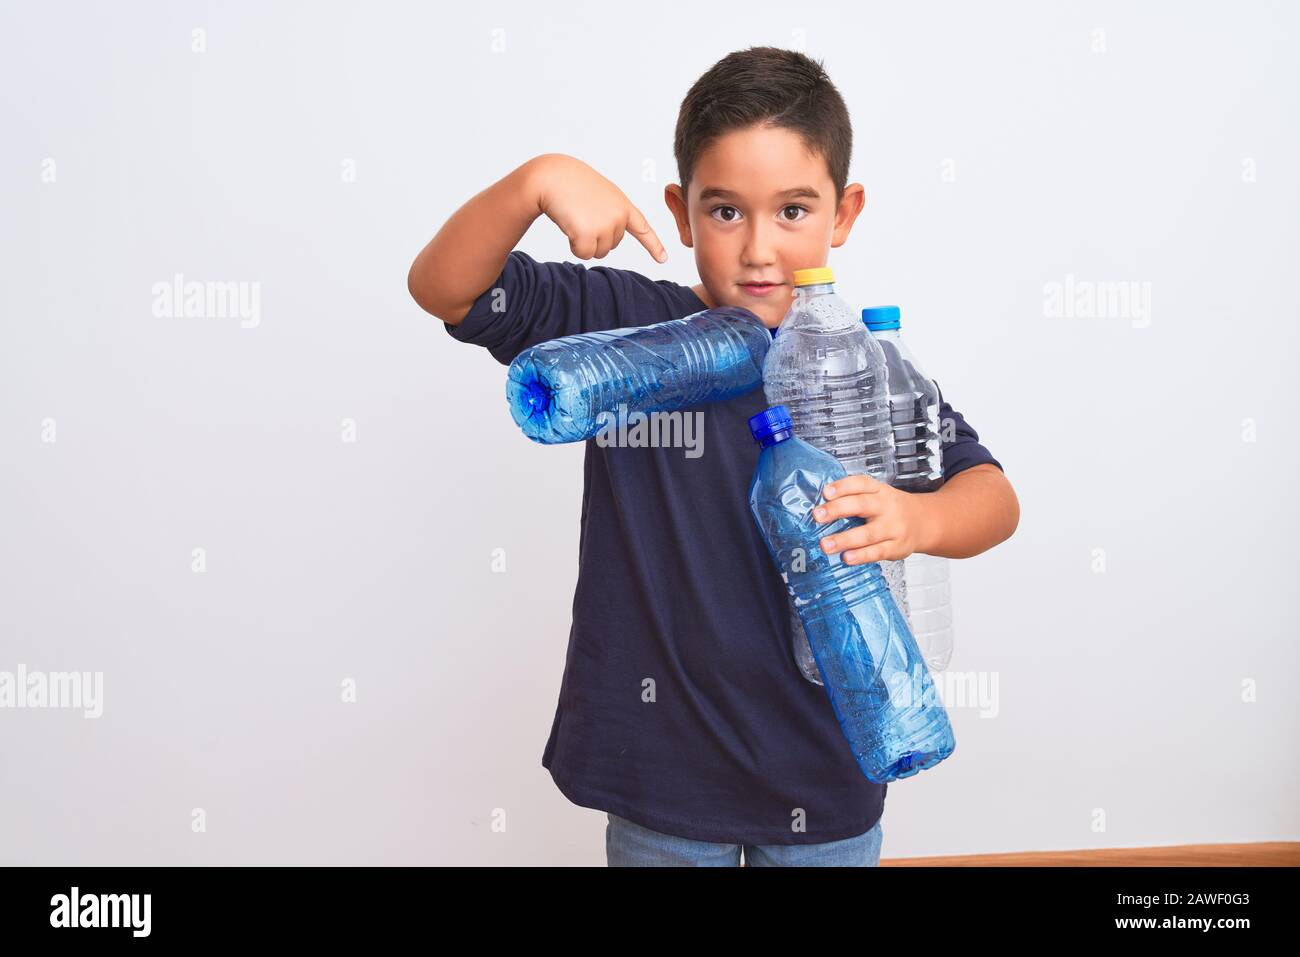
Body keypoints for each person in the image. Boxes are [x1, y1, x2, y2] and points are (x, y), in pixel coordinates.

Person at [408, 46, 1020, 866]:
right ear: (683, 209)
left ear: (844, 213)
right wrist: (536, 181)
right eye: (727, 211)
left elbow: (993, 496)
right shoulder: (625, 328)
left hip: (826, 765)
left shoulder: (864, 366)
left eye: (793, 211)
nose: (760, 249)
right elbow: (445, 287)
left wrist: (919, 517)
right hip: (662, 774)